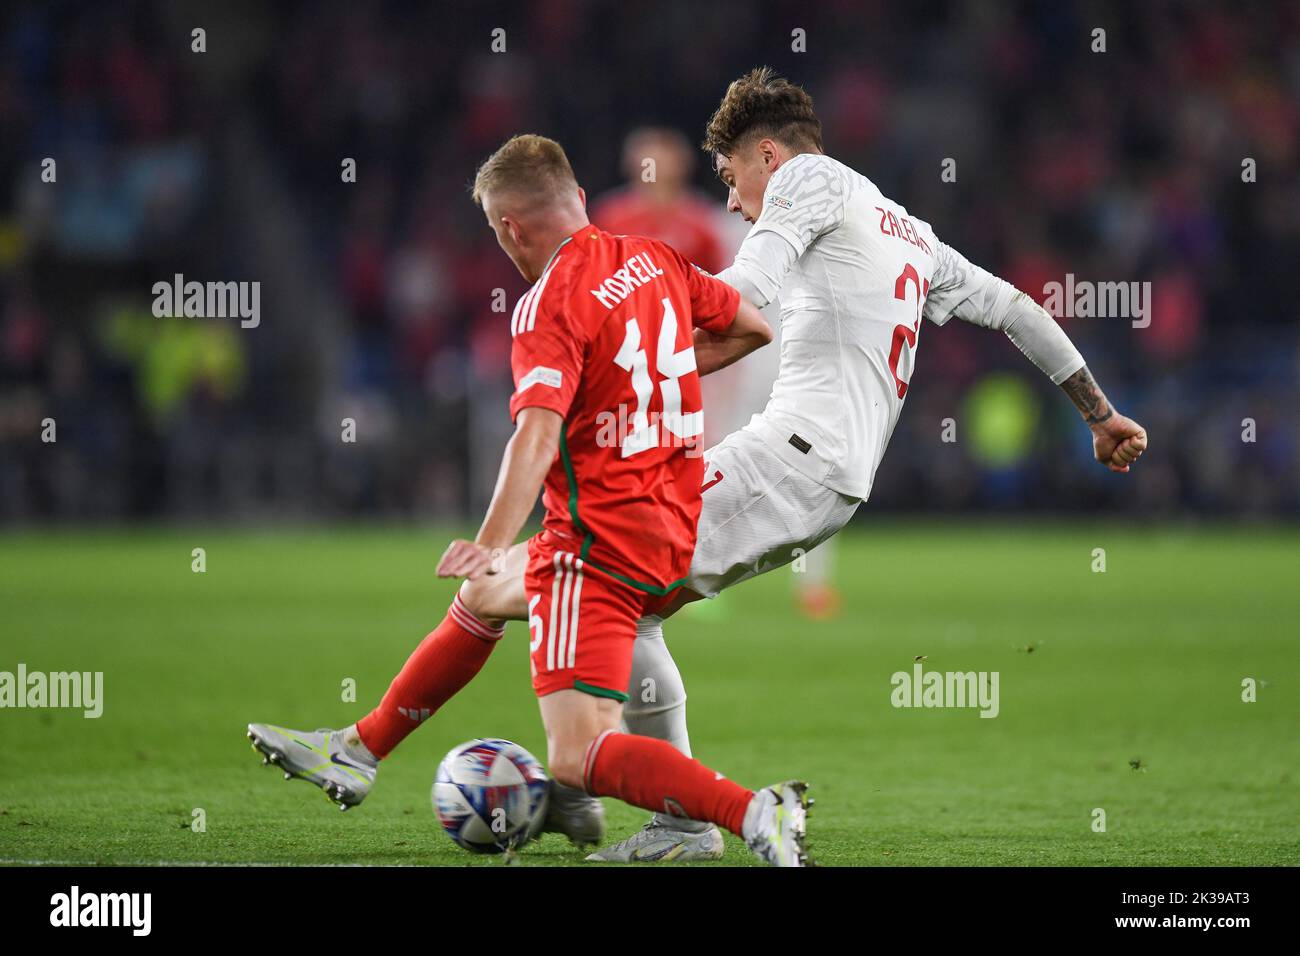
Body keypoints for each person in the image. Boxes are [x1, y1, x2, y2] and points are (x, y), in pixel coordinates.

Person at [248, 134, 815, 866]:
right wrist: (653, 379)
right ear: (579, 199)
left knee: (579, 754)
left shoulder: (548, 305)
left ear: (509, 228)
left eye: (495, 231)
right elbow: (752, 327)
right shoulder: (655, 259)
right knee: (486, 595)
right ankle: (358, 750)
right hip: (672, 520)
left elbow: (535, 439)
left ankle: (748, 812)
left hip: (596, 547)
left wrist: (488, 535)